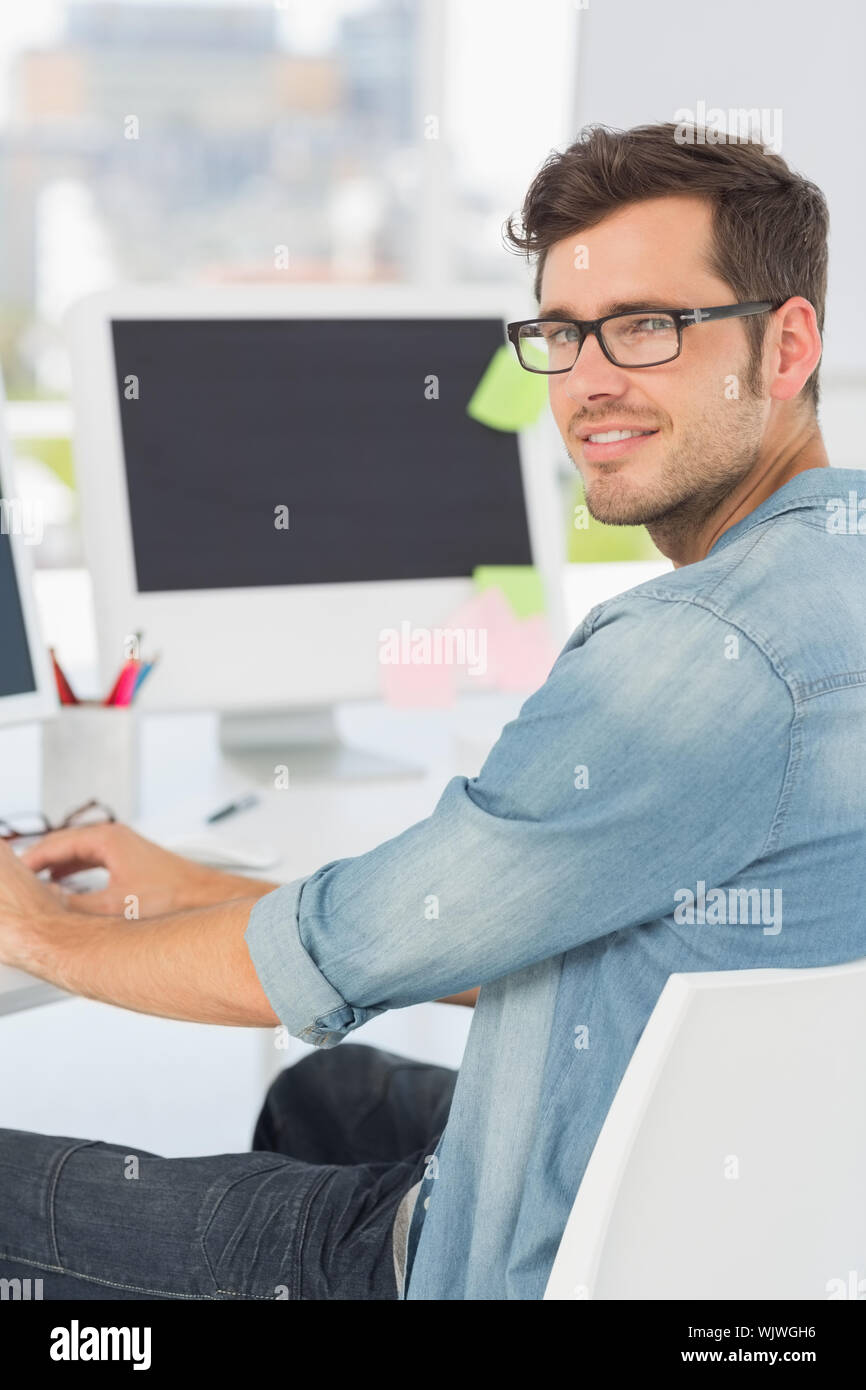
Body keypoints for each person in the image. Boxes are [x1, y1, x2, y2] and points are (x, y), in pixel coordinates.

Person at [2, 122, 863, 1301]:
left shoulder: (689, 655)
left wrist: (39, 930)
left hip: (503, 1270)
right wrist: (185, 884)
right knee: (327, 1093)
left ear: (785, 346)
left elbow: (323, 964)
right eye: (562, 334)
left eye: (650, 326)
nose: (589, 381)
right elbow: (516, 926)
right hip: (742, 1246)